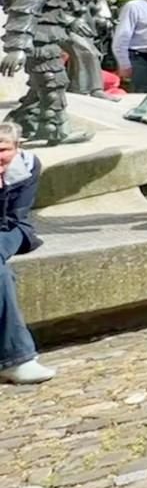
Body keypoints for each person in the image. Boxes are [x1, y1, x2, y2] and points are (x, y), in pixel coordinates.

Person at [0, 124, 49, 384]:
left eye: (3, 149)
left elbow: (15, 216)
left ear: (17, 147)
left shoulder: (28, 166)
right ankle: (16, 359)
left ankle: (16, 358)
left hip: (13, 229)